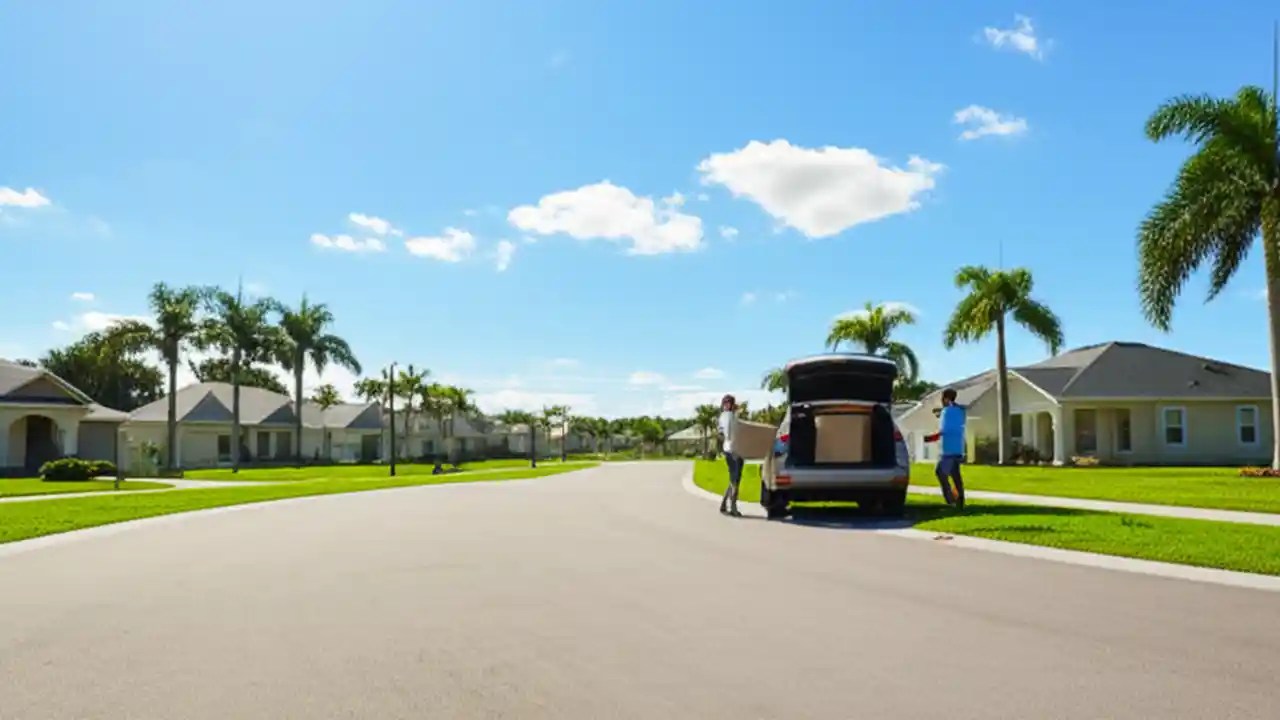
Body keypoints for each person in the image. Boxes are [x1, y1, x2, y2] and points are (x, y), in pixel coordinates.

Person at [924, 388, 966, 510]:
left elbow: (945, 431)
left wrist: (930, 438)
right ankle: (960, 500)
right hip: (958, 448)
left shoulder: (947, 412)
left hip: (948, 450)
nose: (941, 401)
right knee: (955, 475)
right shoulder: (959, 411)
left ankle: (951, 500)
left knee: (940, 472)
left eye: (942, 398)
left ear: (946, 398)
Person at [718, 394, 744, 517]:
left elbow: (722, 432)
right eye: (726, 403)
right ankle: (733, 507)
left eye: (729, 403)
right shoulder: (728, 416)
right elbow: (728, 433)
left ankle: (724, 504)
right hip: (733, 450)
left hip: (730, 448)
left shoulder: (725, 416)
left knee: (733, 478)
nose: (727, 405)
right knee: (735, 479)